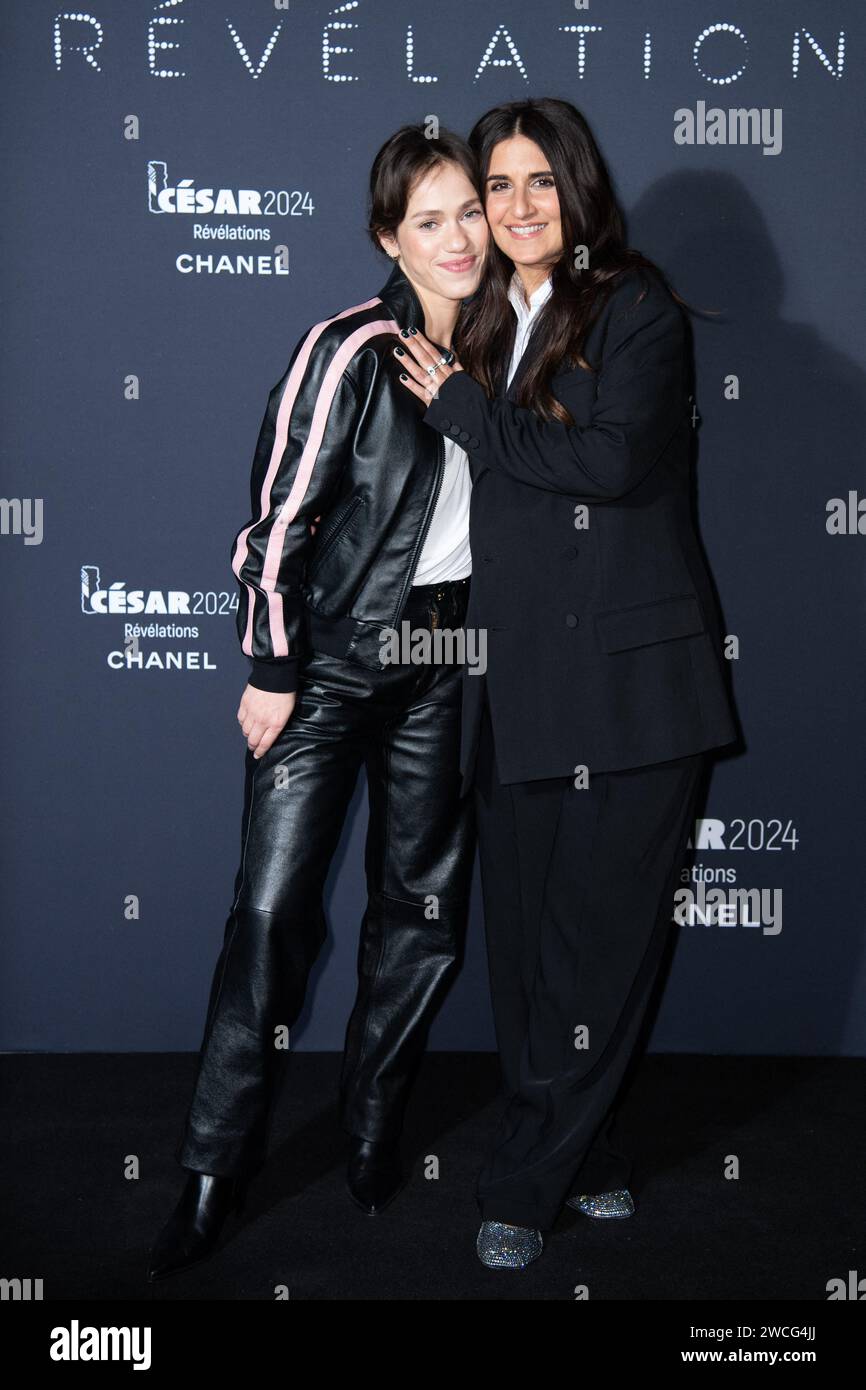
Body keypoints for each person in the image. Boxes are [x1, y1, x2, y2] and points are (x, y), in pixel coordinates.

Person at [396, 98, 740, 1269]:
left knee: (596, 949)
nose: (517, 206)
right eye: (498, 187)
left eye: (539, 181)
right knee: (525, 950)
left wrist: (468, 416)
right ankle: (583, 1151)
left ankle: (524, 1180)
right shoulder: (488, 317)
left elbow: (605, 460)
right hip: (519, 686)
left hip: (632, 696)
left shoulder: (632, 305)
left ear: (577, 189)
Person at [147, 124, 488, 1280]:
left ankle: (371, 1129)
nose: (455, 238)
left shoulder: (516, 348)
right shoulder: (349, 347)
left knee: (420, 909)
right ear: (388, 237)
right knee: (268, 920)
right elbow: (279, 517)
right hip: (333, 660)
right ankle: (209, 1173)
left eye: (467, 212)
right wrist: (272, 661)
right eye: (427, 220)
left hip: (449, 652)